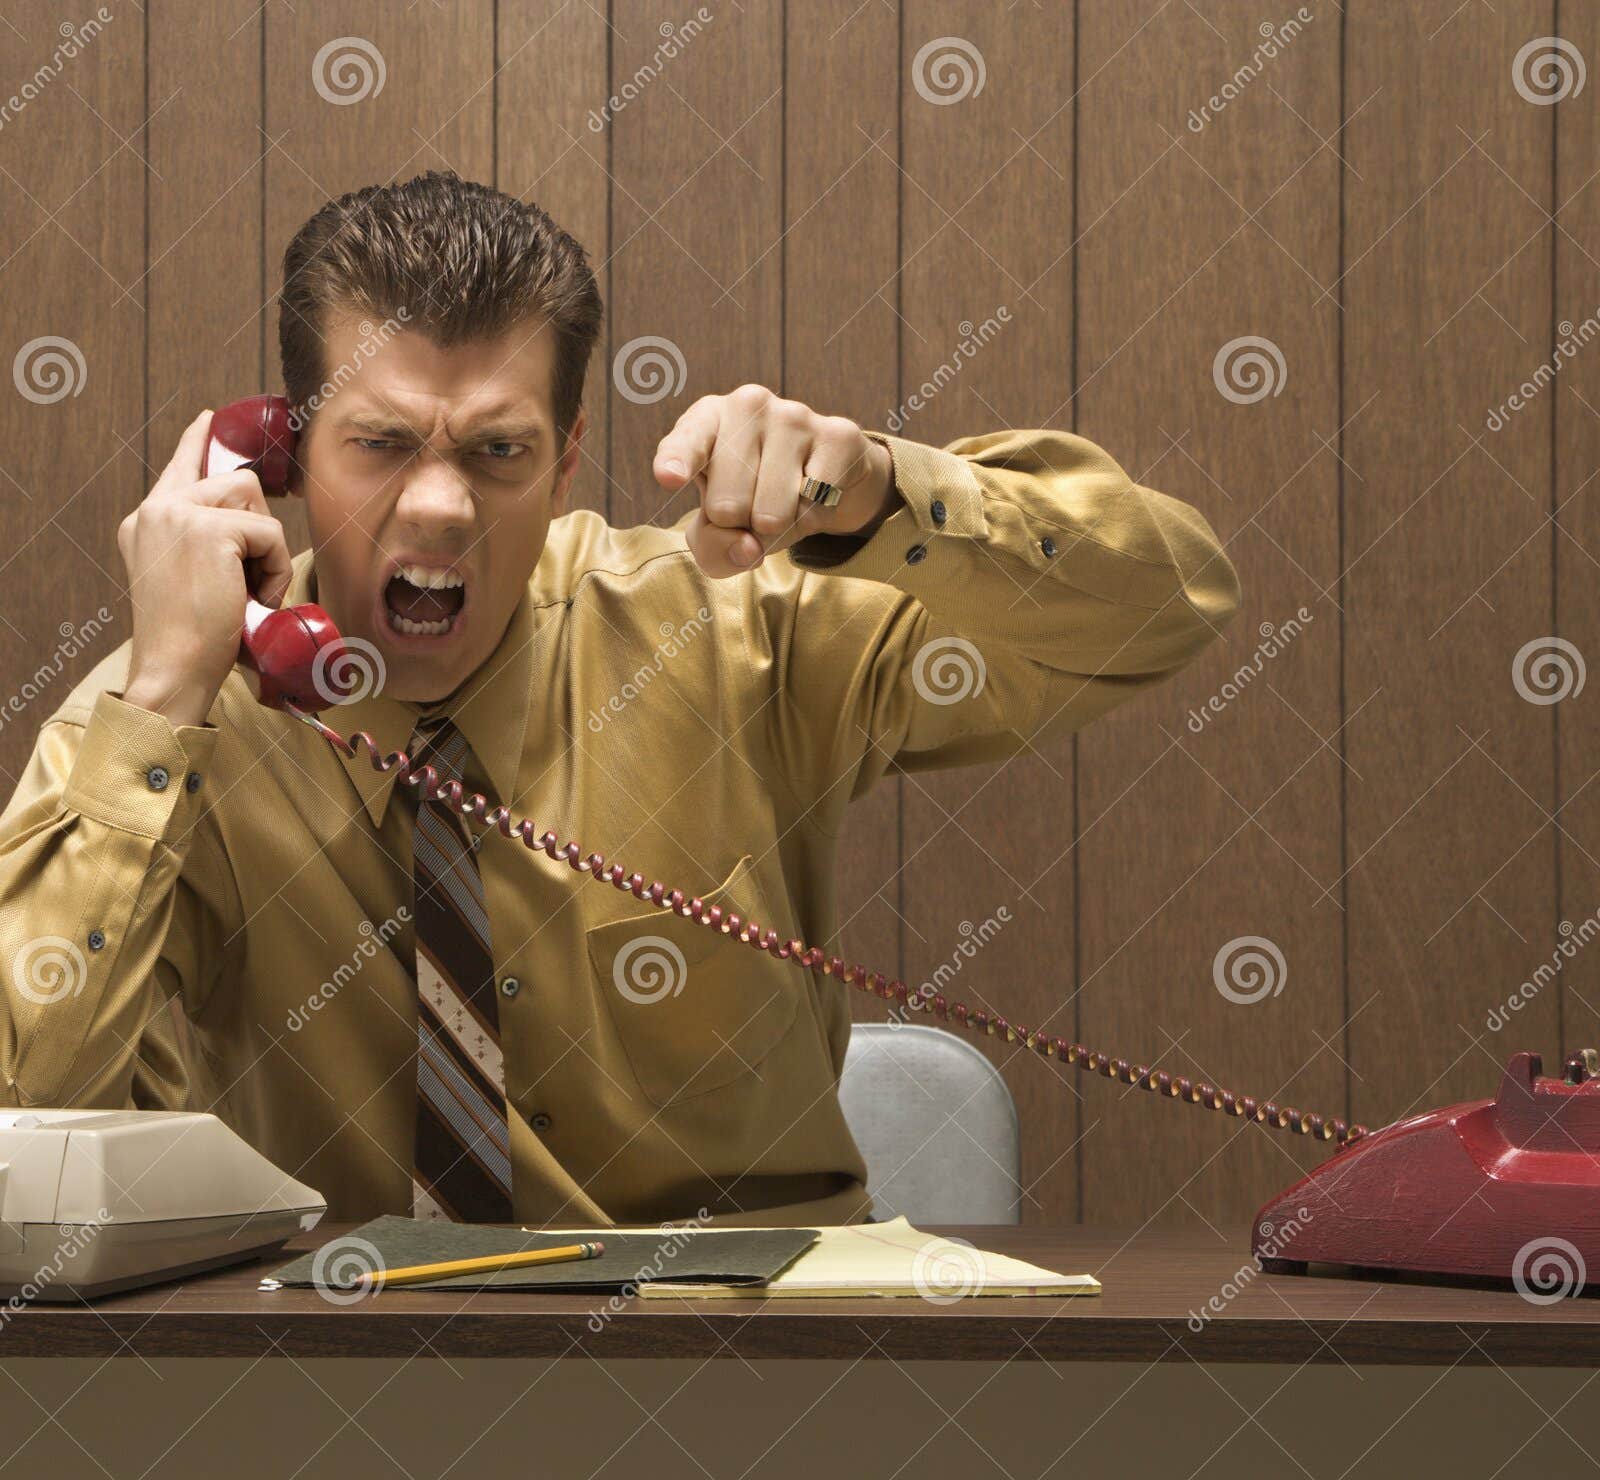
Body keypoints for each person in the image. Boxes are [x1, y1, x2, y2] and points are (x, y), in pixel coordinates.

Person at [0, 170, 1239, 1228]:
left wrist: (878, 496)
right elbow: (28, 1131)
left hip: (750, 1371)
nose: (439, 506)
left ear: (567, 461)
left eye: (497, 450)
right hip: (358, 1375)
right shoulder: (160, 731)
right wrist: (164, 697)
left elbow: (1168, 601)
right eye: (379, 444)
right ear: (277, 458)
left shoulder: (731, 627)